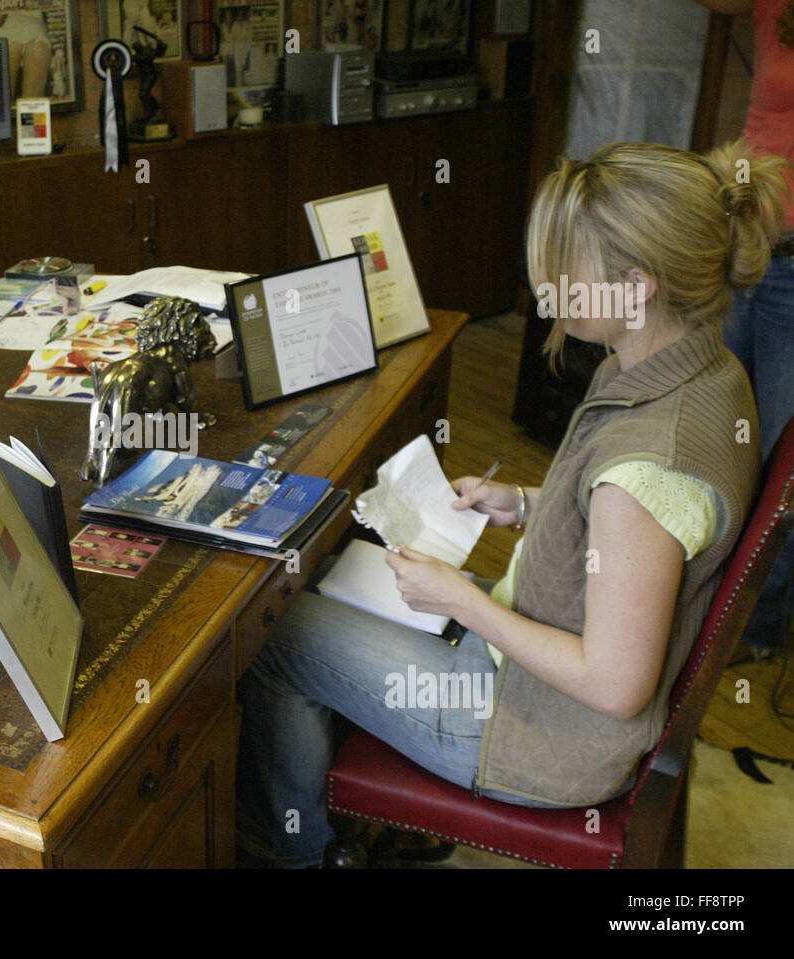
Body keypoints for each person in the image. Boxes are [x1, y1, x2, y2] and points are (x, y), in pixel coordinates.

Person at [235, 140, 789, 867]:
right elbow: (643, 538)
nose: (550, 290)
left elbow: (615, 684)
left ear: (638, 284)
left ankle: (293, 855)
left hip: (535, 732)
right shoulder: (704, 367)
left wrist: (465, 605)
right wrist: (525, 502)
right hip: (533, 659)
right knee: (342, 572)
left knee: (274, 634)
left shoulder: (647, 468)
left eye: (570, 269)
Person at [695, 0, 794, 654]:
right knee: (712, 432)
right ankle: (692, 603)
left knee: (780, 464)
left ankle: (752, 628)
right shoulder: (773, 7)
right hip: (743, 245)